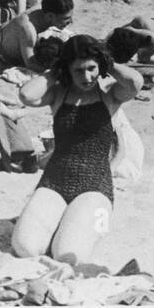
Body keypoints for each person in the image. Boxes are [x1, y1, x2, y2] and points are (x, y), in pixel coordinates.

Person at [11, 35, 142, 265]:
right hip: (54, 181)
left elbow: (135, 82)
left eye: (92, 68)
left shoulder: (110, 94)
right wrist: (55, 71)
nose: (87, 76)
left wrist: (106, 63)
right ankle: (64, 221)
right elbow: (26, 95)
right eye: (78, 70)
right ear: (68, 70)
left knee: (68, 255)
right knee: (24, 248)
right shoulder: (59, 94)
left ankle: (85, 225)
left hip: (96, 187)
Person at [0, 0, 75, 69]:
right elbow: (31, 64)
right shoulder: (29, 30)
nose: (71, 22)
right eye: (66, 19)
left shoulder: (42, 11)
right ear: (50, 16)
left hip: (6, 32)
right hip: (4, 53)